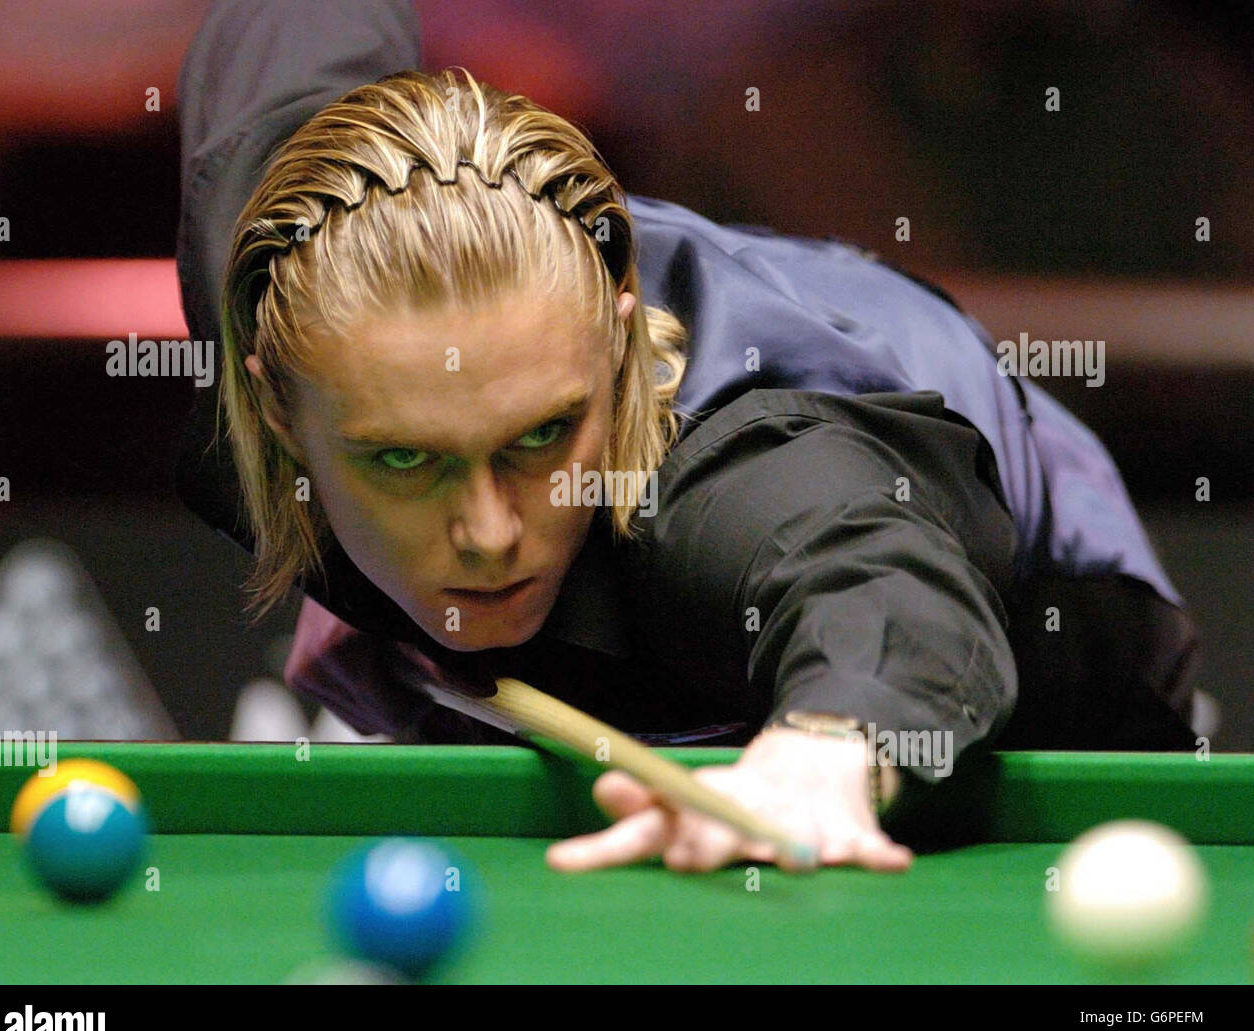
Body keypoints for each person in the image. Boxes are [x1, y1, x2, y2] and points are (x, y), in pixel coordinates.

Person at [174, 0, 1200, 875]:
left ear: (617, 345)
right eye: (404, 457)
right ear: (274, 405)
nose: (487, 534)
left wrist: (826, 743)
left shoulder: (733, 474)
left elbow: (872, 576)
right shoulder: (281, 256)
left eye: (540, 437)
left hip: (1038, 633)